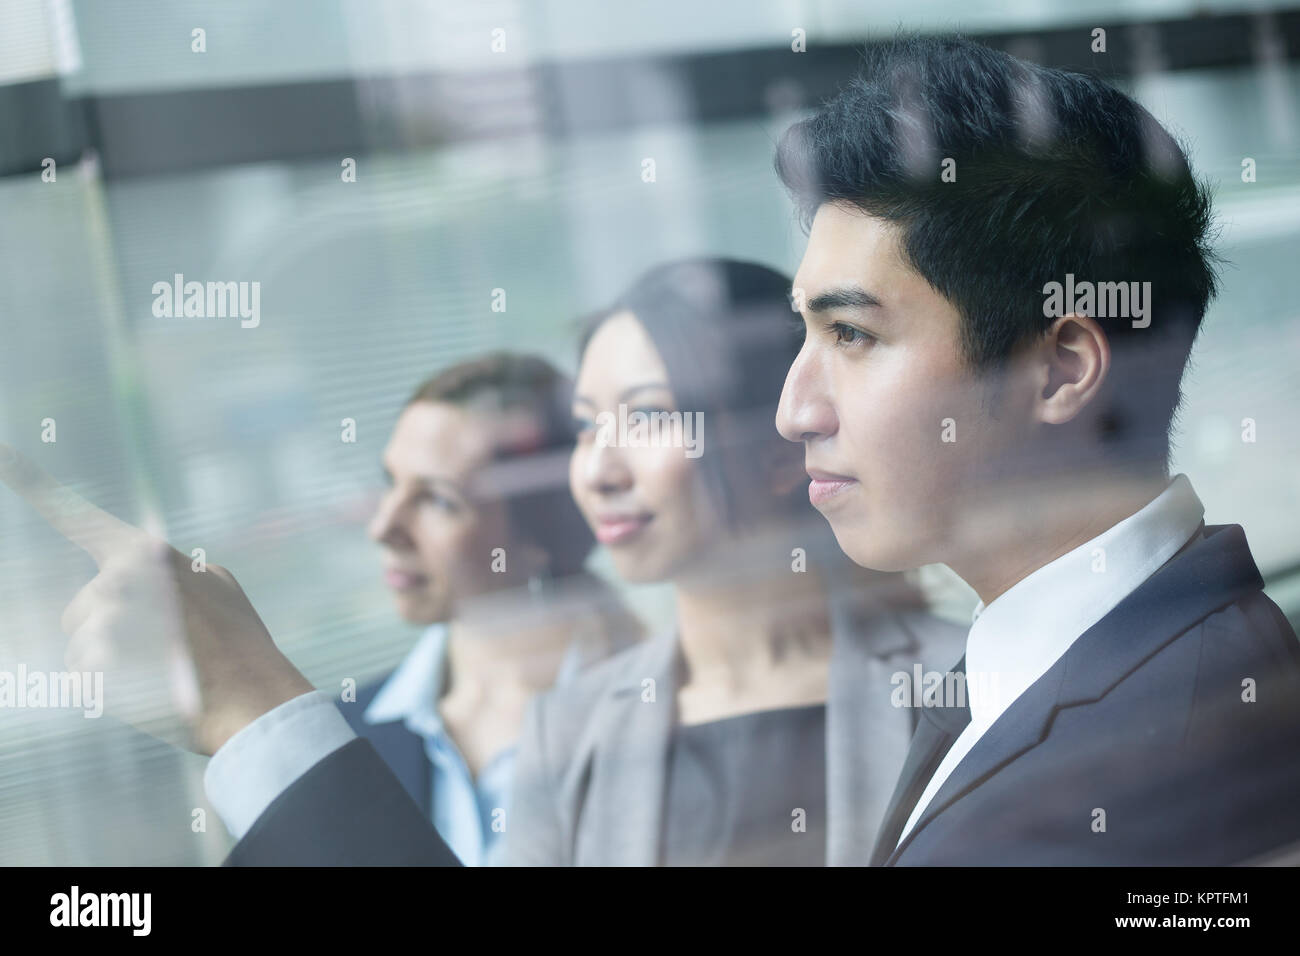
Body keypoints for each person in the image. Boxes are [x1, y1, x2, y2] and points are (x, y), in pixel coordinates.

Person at [771, 35, 1300, 864]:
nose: (794, 411)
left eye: (852, 334)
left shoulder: (1179, 745)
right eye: (807, 332)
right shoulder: (1055, 660)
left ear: (1060, 370)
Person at [504, 259, 964, 865]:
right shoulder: (565, 730)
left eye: (648, 418)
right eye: (587, 426)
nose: (597, 473)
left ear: (779, 442)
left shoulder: (959, 680)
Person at [337, 353, 640, 866]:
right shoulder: (342, 735)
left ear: (543, 531)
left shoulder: (646, 715)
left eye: (437, 500)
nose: (383, 527)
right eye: (392, 483)